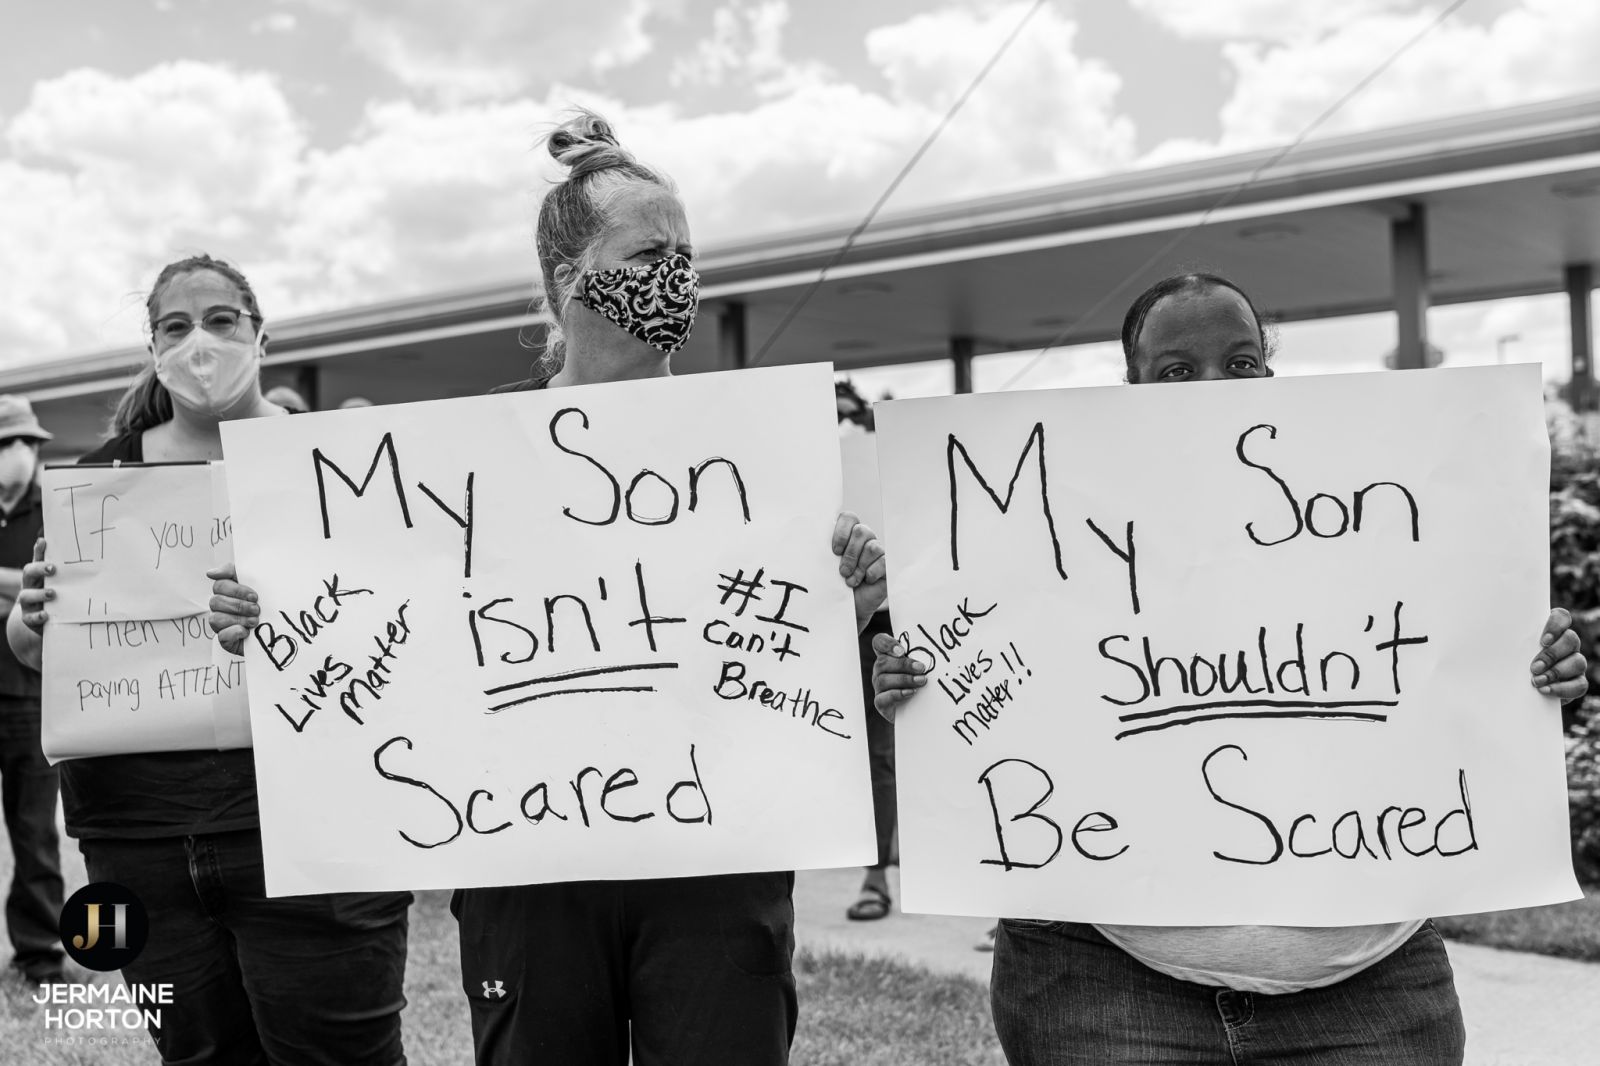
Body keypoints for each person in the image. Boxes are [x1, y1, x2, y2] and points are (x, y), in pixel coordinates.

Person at [208, 112, 887, 1066]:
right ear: (568, 282)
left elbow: (795, 663)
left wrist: (845, 606)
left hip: (715, 864)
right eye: (652, 250)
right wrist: (270, 614)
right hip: (528, 864)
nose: (677, 272)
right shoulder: (459, 466)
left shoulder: (760, 455)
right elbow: (373, 629)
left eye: (687, 252)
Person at [870, 271, 1589, 1066]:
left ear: (1269, 375)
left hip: (1371, 991)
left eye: (1240, 362)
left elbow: (1456, 647)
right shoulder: (1043, 522)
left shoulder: (1378, 500)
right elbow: (979, 675)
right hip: (1104, 988)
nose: (1213, 386)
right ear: (1131, 388)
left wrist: (1534, 672)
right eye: (1177, 369)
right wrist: (918, 686)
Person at [7, 254, 411, 1065]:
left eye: (222, 320)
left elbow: (402, 630)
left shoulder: (340, 467)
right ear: (153, 347)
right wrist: (30, 616)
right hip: (137, 838)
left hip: (315, 829)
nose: (201, 342)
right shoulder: (98, 483)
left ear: (261, 333)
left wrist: (292, 625)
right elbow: (36, 655)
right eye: (175, 326)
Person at [0, 396, 65, 986]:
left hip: (28, 694)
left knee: (36, 833)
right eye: (4, 443)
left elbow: (57, 592)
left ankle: (41, 953)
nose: (16, 455)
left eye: (24, 443)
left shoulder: (54, 514)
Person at [837, 379, 898, 922]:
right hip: (848, 615)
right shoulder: (825, 462)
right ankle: (877, 871)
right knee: (873, 752)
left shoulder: (894, 453)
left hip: (908, 609)